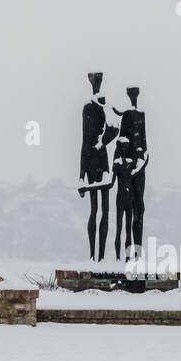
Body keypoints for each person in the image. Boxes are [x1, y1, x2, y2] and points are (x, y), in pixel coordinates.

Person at [77, 72, 119, 262]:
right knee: (95, 210)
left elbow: (114, 127)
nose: (97, 84)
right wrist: (81, 175)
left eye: (99, 81)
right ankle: (94, 257)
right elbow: (84, 140)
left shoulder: (104, 107)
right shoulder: (87, 108)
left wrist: (103, 142)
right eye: (95, 81)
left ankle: (100, 257)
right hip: (92, 160)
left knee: (104, 210)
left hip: (102, 160)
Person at [112, 86, 149, 261]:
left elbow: (146, 148)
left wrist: (139, 167)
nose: (133, 98)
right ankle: (129, 254)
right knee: (130, 212)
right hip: (129, 169)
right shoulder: (126, 116)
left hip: (138, 170)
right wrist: (124, 166)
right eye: (131, 95)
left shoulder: (141, 115)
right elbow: (121, 144)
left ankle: (138, 252)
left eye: (135, 95)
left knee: (139, 210)